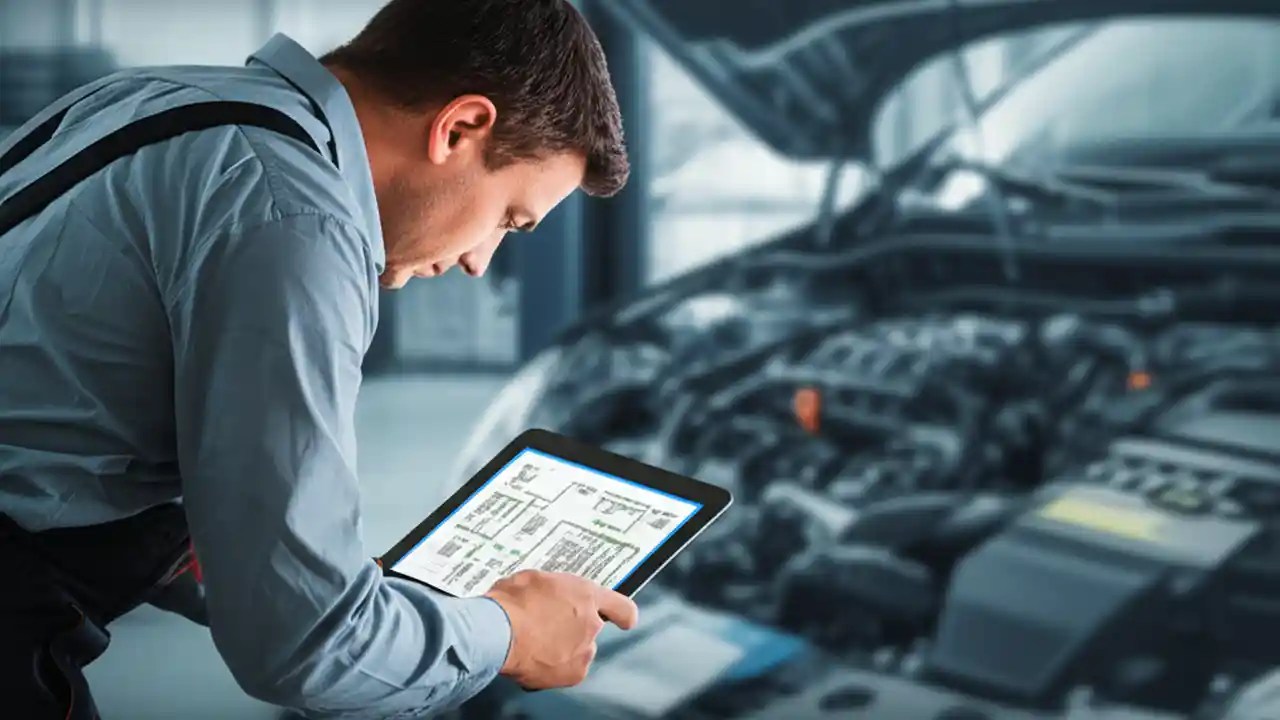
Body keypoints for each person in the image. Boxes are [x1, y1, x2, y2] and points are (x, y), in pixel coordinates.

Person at [0, 1, 638, 718]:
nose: (479, 261)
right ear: (459, 128)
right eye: (508, 219)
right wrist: (510, 631)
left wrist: (293, 569)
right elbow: (307, 647)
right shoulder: (296, 217)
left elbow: (59, 426)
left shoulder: (158, 99)